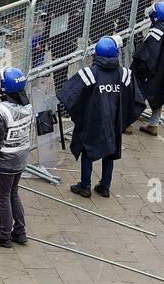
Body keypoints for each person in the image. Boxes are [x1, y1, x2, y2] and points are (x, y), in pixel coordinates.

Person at [57, 36, 144, 199]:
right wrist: (123, 119)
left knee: (87, 152)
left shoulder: (89, 74)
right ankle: (105, 186)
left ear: (96, 54)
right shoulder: (124, 74)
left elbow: (67, 95)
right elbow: (135, 100)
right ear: (116, 54)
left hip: (93, 122)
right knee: (110, 152)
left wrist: (79, 115)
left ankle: (85, 186)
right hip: (114, 122)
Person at [0, 67, 33, 248]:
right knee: (13, 193)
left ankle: (4, 235)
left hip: (5, 160)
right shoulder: (28, 106)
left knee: (2, 197)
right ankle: (20, 231)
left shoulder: (1, 111)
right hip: (21, 156)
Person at [133, 1, 164, 137]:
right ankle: (153, 124)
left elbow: (146, 55)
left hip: (152, 70)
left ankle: (127, 124)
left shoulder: (156, 31)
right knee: (159, 95)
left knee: (136, 92)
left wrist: (139, 69)